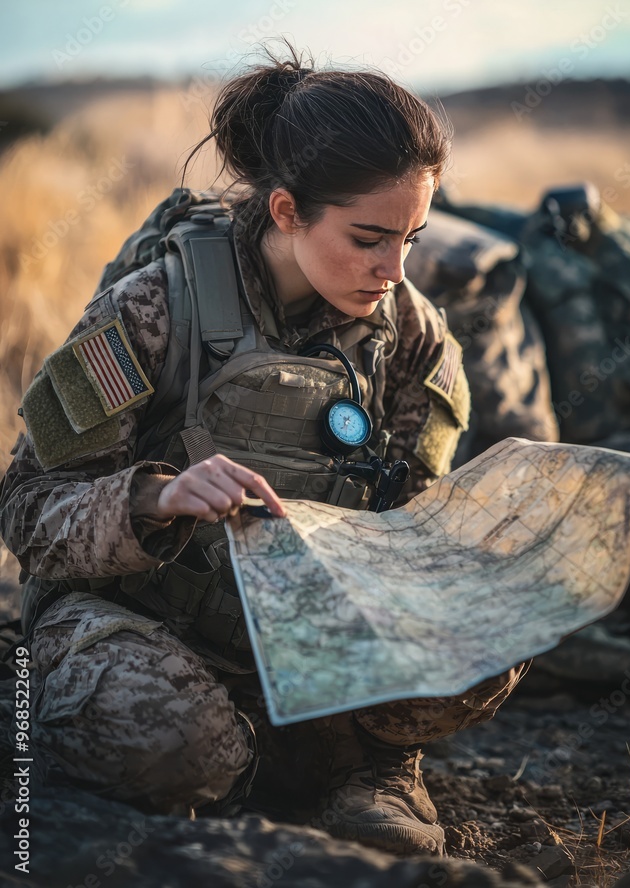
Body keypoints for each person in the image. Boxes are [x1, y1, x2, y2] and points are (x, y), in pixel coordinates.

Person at [0, 45, 528, 857]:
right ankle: (258, 752)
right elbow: (26, 509)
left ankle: (375, 762)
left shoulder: (411, 334)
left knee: (491, 630)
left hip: (305, 630)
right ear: (286, 211)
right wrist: (155, 498)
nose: (393, 269)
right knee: (171, 746)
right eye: (368, 238)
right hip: (144, 617)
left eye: (413, 239)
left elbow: (417, 515)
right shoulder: (152, 307)